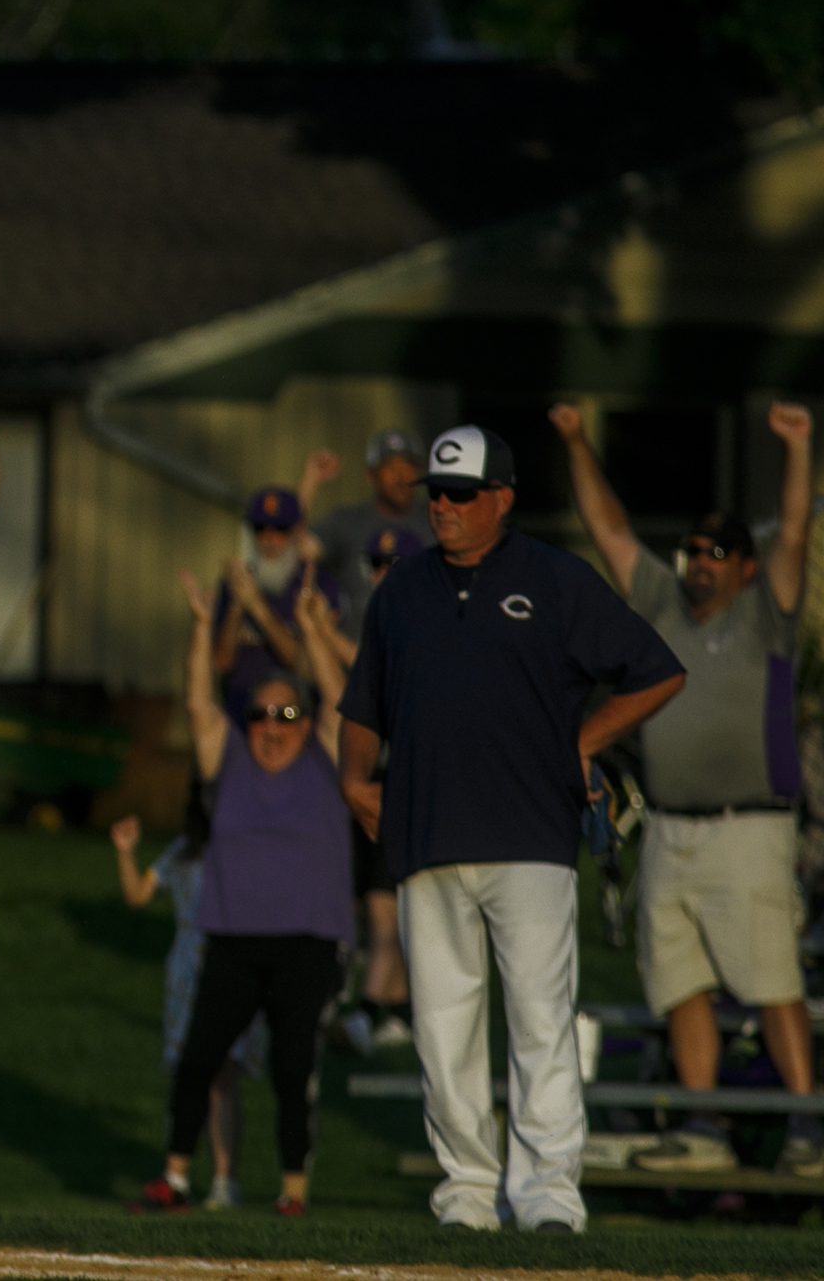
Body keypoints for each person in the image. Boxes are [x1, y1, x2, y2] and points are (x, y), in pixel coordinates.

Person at [339, 425, 685, 1233]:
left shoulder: (557, 579)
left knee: (539, 1017)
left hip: (530, 834)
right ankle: (465, 1188)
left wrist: (581, 741)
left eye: (462, 493)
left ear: (503, 498)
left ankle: (547, 1191)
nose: (446, 507)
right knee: (443, 1025)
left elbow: (658, 670)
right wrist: (355, 778)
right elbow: (362, 706)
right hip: (426, 837)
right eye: (437, 491)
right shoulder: (402, 589)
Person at [552, 400, 822, 1176]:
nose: (701, 559)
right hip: (669, 827)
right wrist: (574, 441)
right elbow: (607, 527)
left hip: (750, 827)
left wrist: (798, 451)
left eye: (719, 550)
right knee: (681, 981)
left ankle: (806, 1131)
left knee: (771, 979)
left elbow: (796, 533)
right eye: (693, 548)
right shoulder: (662, 603)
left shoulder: (766, 614)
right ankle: (703, 1127)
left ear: (744, 563)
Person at [136, 563, 355, 1216]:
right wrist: (203, 628)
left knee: (292, 1069)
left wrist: (313, 630)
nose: (272, 724)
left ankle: (293, 1190)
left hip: (306, 941)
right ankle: (175, 1177)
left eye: (287, 712)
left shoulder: (323, 761)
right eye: (261, 713)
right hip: (232, 937)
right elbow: (199, 702)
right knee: (198, 1058)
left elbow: (341, 702)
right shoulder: (228, 757)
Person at [110, 814, 268, 1210]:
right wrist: (125, 852)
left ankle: (223, 1181)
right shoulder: (182, 851)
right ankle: (178, 1176)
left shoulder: (253, 844)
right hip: (186, 972)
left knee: (223, 1073)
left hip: (233, 963)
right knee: (191, 1070)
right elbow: (138, 896)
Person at [304, 528, 423, 1055]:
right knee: (378, 908)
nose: (381, 574)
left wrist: (325, 638)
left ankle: (367, 1013)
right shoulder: (379, 625)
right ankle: (397, 1012)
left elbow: (377, 675)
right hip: (375, 786)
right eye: (375, 563)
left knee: (386, 913)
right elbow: (341, 696)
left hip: (414, 789)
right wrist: (313, 631)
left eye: (393, 563)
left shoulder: (426, 626)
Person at [214, 488, 341, 728]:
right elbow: (222, 662)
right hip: (242, 718)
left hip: (297, 722)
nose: (269, 539)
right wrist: (237, 606)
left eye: (280, 529)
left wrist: (258, 608)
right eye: (259, 529)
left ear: (297, 532)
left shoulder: (317, 585)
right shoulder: (237, 581)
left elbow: (306, 667)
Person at [300, 429, 437, 635]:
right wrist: (310, 482)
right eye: (390, 467)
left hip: (420, 654)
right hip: (355, 654)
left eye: (408, 467)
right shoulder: (348, 521)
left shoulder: (438, 519)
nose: (401, 477)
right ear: (370, 474)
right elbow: (299, 550)